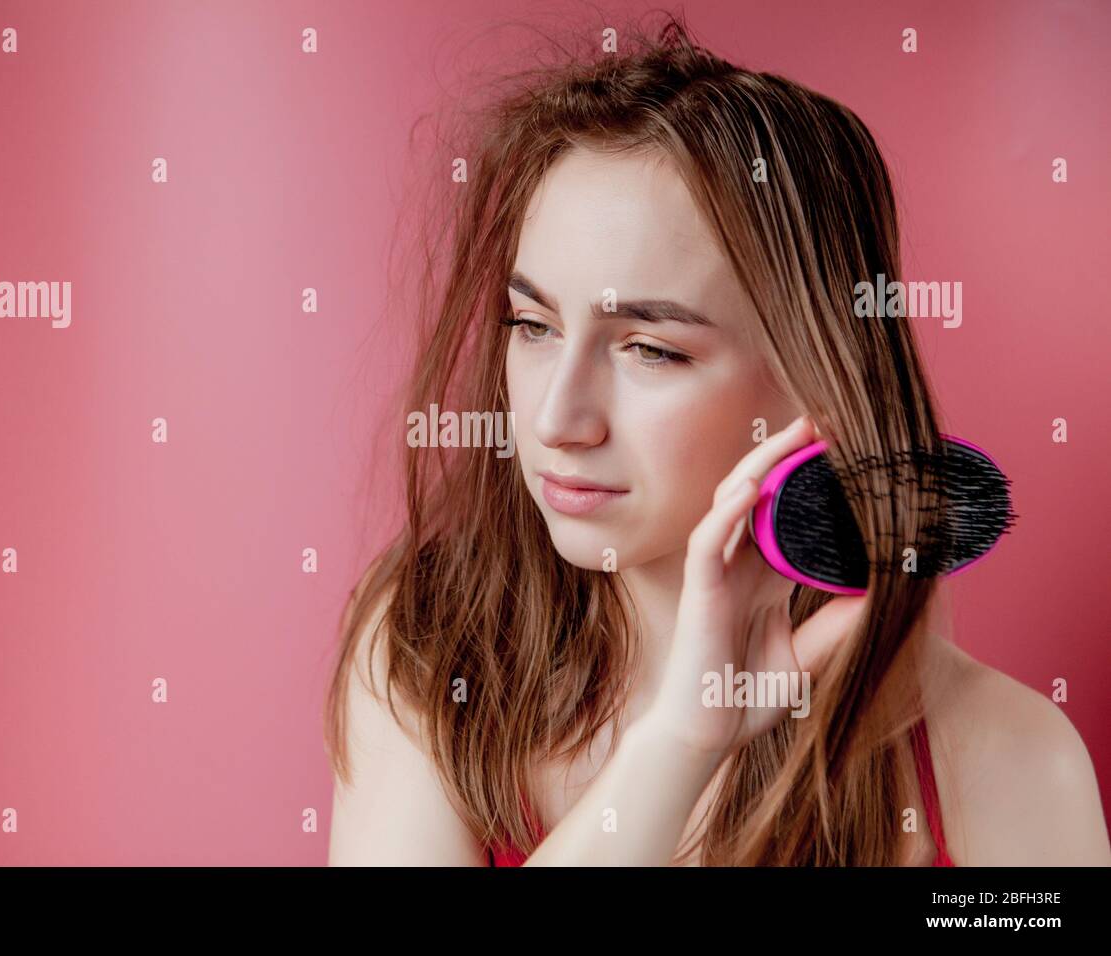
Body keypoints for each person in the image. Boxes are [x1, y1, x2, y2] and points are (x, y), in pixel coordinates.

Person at [323, 15, 1110, 866]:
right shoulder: (431, 640)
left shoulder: (1011, 762)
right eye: (533, 324)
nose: (555, 420)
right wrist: (682, 742)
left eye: (651, 349)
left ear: (819, 376)